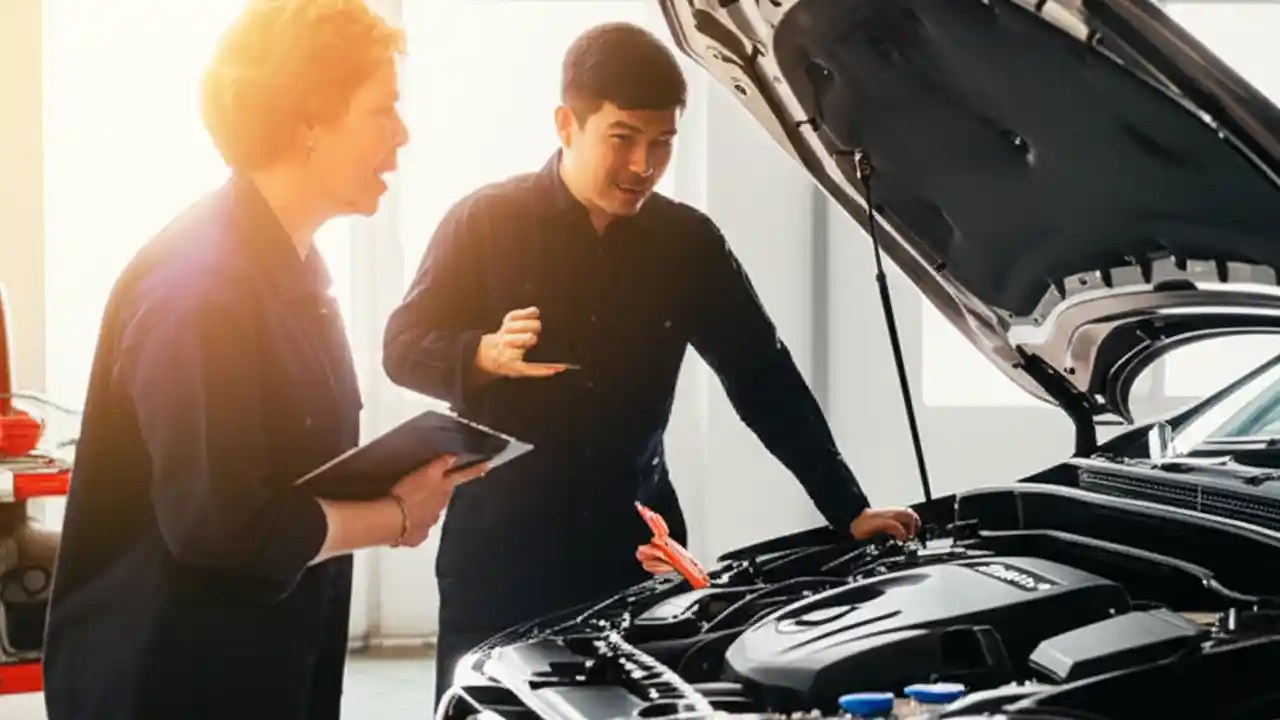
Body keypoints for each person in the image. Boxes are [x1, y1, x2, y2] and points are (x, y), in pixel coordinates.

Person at [382, 22, 921, 707]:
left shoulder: (687, 243)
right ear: (565, 124)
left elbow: (763, 378)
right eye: (622, 138)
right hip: (499, 552)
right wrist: (478, 354)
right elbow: (401, 347)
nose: (643, 164)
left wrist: (848, 508)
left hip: (636, 548)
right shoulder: (483, 222)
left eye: (662, 143)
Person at [41, 2, 488, 718]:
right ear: (309, 119)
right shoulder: (200, 284)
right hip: (171, 678)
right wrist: (394, 515)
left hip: (263, 656)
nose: (401, 137)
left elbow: (282, 462)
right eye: (383, 110)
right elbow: (221, 526)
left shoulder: (292, 268)